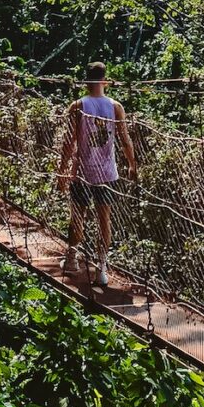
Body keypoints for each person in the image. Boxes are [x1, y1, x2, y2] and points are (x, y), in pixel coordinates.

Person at [58, 62, 137, 286]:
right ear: (106, 82)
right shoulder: (116, 107)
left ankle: (72, 257)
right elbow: (125, 140)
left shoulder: (78, 105)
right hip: (107, 172)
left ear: (86, 82)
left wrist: (62, 172)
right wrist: (132, 164)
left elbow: (68, 142)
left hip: (83, 172)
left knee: (78, 216)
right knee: (104, 219)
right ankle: (101, 268)